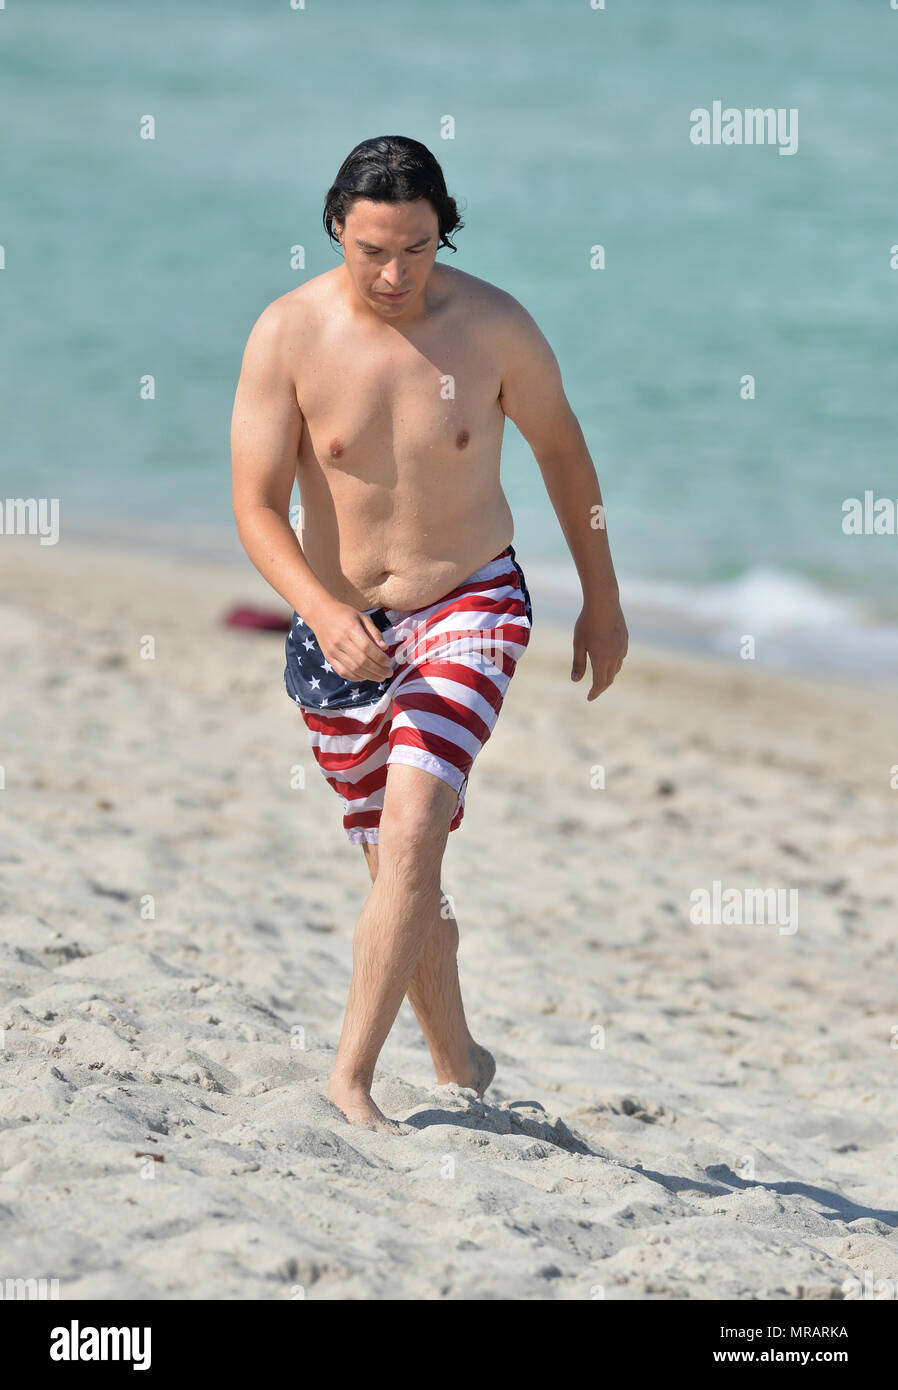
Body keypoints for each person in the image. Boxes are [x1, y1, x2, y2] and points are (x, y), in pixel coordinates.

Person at [231, 135, 628, 1133]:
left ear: (443, 231)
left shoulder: (495, 327)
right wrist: (323, 611)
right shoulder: (287, 333)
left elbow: (565, 459)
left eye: (416, 247)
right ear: (336, 229)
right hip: (341, 628)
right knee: (397, 870)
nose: (396, 273)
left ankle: (349, 1079)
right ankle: (457, 1057)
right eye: (373, 249)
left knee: (412, 827)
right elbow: (253, 506)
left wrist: (603, 598)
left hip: (472, 603)